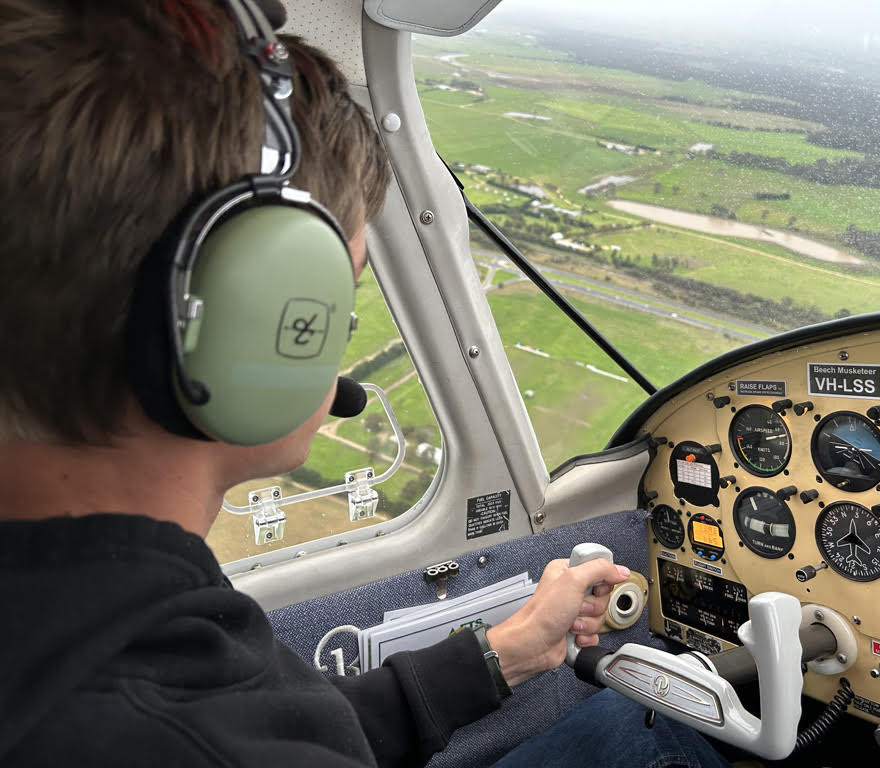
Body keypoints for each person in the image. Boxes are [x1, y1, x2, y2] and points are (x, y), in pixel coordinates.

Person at [0, 1, 732, 766]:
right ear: (245, 335)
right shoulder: (187, 729)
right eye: (331, 310)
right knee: (654, 732)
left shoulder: (120, 647)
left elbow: (285, 721)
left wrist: (507, 652)